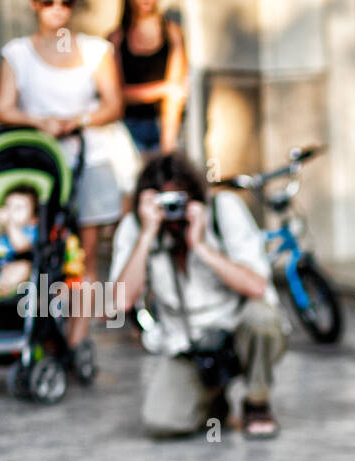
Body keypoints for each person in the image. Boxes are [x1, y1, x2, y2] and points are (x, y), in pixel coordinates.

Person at [0, 0, 142, 348]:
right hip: (41, 168)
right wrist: (40, 122)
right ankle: (41, 334)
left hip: (88, 161)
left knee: (85, 255)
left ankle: (75, 342)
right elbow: (3, 108)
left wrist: (78, 120)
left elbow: (113, 104)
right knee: (41, 250)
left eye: (66, 3)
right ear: (34, 6)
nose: (58, 9)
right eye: (49, 2)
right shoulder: (17, 53)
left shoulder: (95, 50)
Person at [109, 153, 288, 438]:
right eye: (163, 202)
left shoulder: (222, 210)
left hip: (236, 328)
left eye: (177, 201)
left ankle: (257, 402)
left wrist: (202, 246)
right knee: (164, 422)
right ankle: (213, 396)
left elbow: (256, 286)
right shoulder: (136, 227)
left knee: (262, 319)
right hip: (187, 343)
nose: (171, 211)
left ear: (194, 196)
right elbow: (121, 303)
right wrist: (146, 235)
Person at [110, 0, 188, 158]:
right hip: (127, 130)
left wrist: (168, 147)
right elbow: (116, 96)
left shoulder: (172, 34)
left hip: (164, 127)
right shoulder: (117, 38)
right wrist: (162, 89)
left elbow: (175, 96)